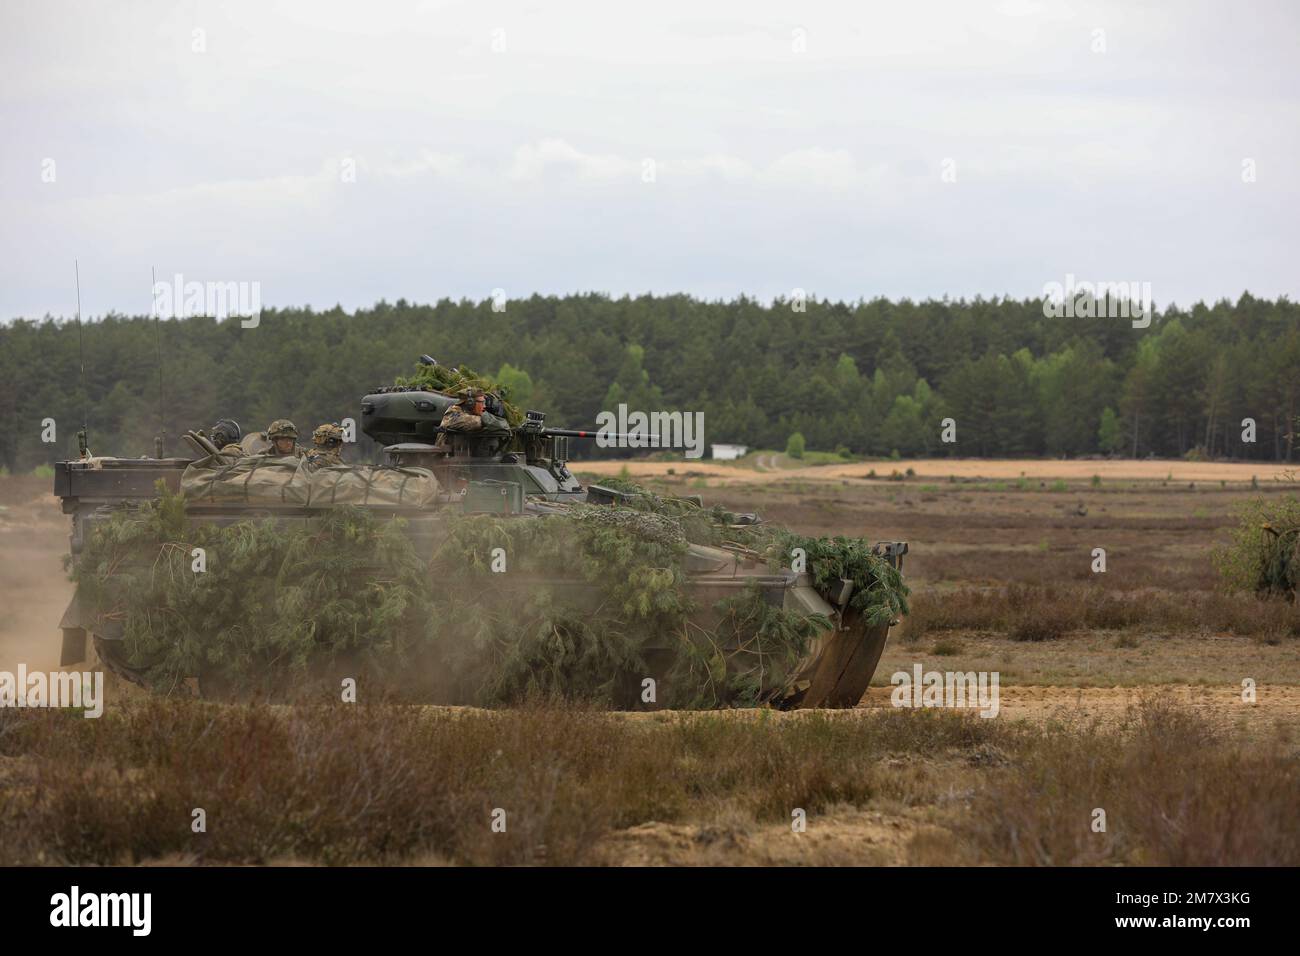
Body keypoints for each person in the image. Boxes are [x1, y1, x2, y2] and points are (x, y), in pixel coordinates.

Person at [434, 388, 511, 451]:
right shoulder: (453, 414)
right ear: (470, 403)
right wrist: (491, 419)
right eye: (481, 402)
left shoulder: (475, 414)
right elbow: (476, 422)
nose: (484, 406)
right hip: (444, 461)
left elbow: (503, 426)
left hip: (464, 460)